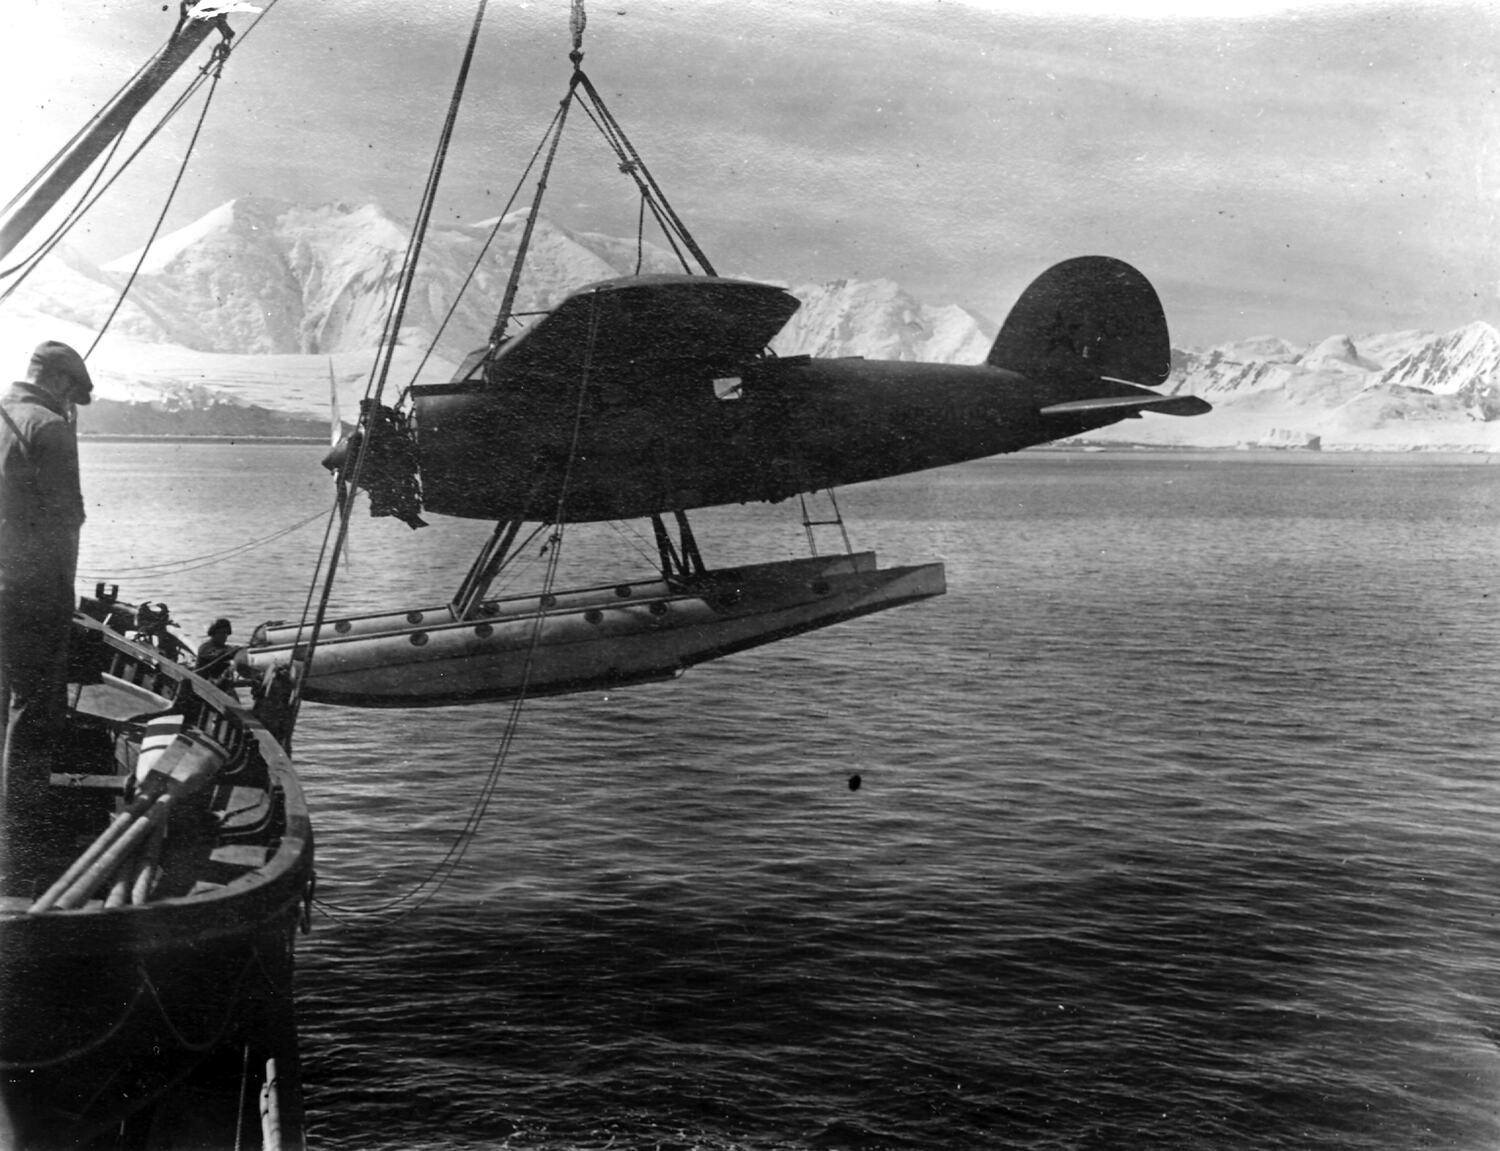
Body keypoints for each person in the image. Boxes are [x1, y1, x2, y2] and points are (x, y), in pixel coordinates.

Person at [0, 340, 92, 857]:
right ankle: (23, 837)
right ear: (60, 383)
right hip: (33, 589)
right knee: (33, 707)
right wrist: (62, 594)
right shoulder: (51, 429)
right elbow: (66, 519)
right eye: (73, 394)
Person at [195, 616, 242, 694]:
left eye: (226, 633)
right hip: (203, 687)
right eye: (221, 633)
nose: (225, 636)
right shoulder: (205, 648)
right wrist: (232, 652)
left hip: (221, 686)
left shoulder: (226, 648)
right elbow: (217, 655)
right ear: (213, 633)